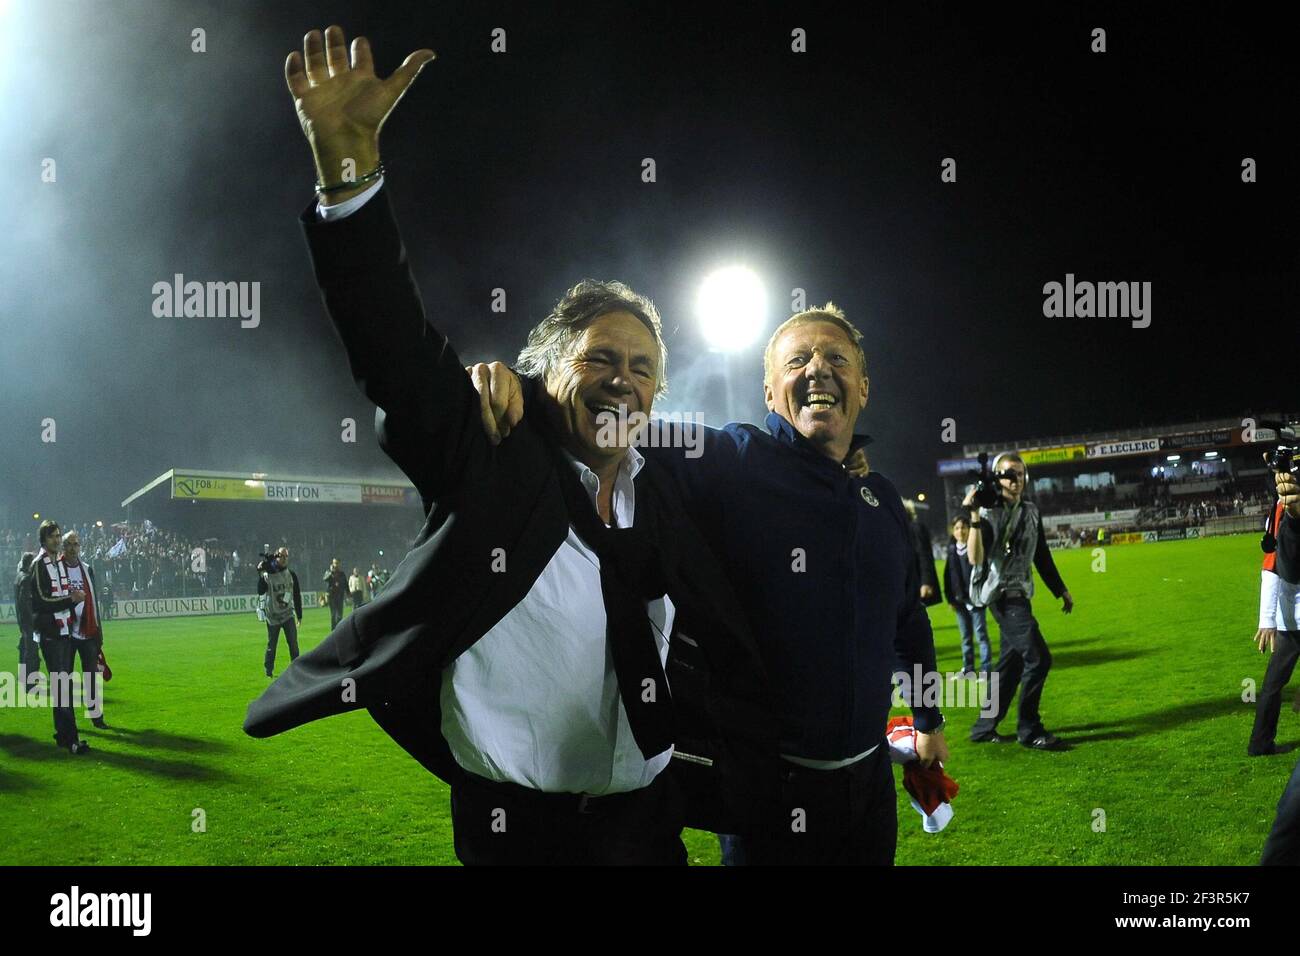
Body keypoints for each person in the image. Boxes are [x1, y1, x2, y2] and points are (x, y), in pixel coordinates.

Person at [245, 25, 770, 866]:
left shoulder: (669, 486)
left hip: (651, 827)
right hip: (518, 836)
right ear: (547, 368)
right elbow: (395, 352)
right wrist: (348, 175)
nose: (622, 379)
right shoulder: (489, 450)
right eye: (599, 357)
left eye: (642, 367)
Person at [471, 302, 947, 865]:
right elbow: (611, 414)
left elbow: (907, 625)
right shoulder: (732, 459)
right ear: (770, 393)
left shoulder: (882, 500)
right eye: (798, 360)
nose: (818, 369)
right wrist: (524, 390)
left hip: (869, 787)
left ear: (862, 387)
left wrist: (928, 722)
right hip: (769, 792)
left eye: (836, 358)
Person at [964, 452, 1074, 750]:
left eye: (1021, 475)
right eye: (1009, 474)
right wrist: (973, 516)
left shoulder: (1031, 510)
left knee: (1008, 668)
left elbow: (1041, 554)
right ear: (997, 477)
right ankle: (1030, 729)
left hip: (1021, 596)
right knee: (1039, 659)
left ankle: (983, 728)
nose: (1016, 480)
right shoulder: (988, 513)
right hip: (1002, 598)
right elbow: (975, 558)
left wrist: (1060, 589)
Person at [29, 521, 89, 754]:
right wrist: (70, 600)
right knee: (64, 686)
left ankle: (63, 736)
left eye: (58, 535)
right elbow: (42, 601)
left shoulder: (57, 563)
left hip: (65, 632)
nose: (57, 539)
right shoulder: (39, 565)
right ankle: (73, 740)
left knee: (62, 686)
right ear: (44, 539)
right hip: (51, 634)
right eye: (52, 536)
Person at [60, 531, 108, 729]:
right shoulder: (57, 569)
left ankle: (97, 717)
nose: (73, 548)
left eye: (76, 544)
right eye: (69, 544)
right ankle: (68, 722)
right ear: (64, 547)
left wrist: (99, 631)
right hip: (66, 632)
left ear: (80, 546)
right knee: (66, 679)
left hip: (87, 630)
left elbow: (94, 600)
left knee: (91, 676)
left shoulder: (87, 569)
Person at [944, 515, 991, 676]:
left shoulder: (976, 548)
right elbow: (948, 576)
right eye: (957, 528)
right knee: (965, 637)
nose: (960, 531)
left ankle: (986, 669)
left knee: (981, 636)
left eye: (964, 527)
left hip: (975, 600)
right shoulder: (951, 550)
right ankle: (968, 668)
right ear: (953, 531)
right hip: (959, 600)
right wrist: (951, 599)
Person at [257, 546, 302, 678]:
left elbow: (296, 594)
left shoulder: (291, 574)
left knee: (293, 644)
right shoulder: (268, 574)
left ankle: (297, 670)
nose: (284, 559)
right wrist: (260, 574)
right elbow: (260, 590)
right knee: (272, 645)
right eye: (281, 556)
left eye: (286, 556)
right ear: (276, 557)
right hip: (273, 616)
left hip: (287, 614)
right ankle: (268, 670)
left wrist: (299, 615)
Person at [903, 499, 942, 610]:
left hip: (915, 584)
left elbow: (924, 556)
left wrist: (926, 582)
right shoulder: (898, 531)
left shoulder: (916, 528)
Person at [13, 552, 40, 691]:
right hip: (29, 622)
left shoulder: (18, 577)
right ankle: (30, 683)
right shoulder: (27, 579)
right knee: (31, 650)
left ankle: (23, 678)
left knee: (24, 647)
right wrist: (34, 620)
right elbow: (26, 603)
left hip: (22, 620)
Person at [322, 557, 347, 629]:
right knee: (333, 614)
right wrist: (331, 572)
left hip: (340, 595)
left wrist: (348, 593)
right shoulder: (328, 572)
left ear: (339, 564)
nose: (335, 565)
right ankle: (333, 630)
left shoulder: (342, 574)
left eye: (337, 563)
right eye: (334, 563)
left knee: (339, 615)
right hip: (331, 596)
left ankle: (338, 629)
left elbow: (345, 583)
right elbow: (325, 579)